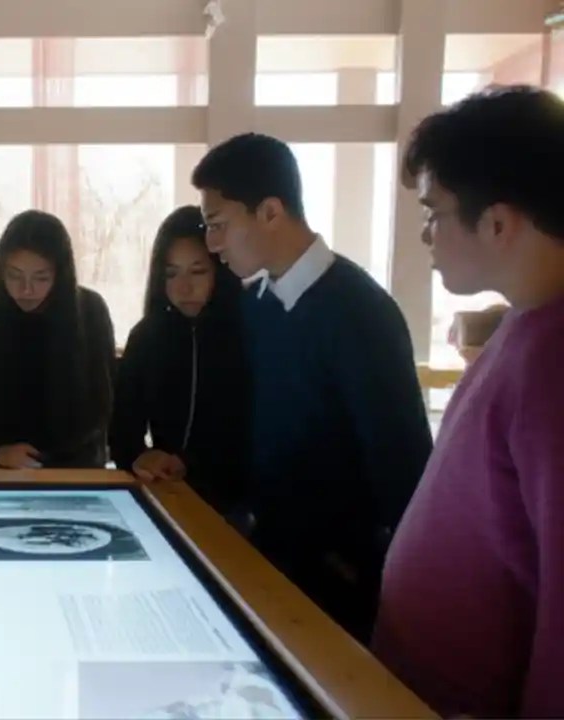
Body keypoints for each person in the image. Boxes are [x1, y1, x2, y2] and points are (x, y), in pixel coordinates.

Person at [193, 132, 432, 643]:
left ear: (271, 212)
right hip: (271, 560)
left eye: (219, 226)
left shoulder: (361, 313)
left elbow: (405, 470)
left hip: (343, 582)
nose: (212, 245)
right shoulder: (257, 303)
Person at [373, 86, 564, 718]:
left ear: (498, 223)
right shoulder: (524, 324)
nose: (425, 232)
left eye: (433, 211)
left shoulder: (552, 362)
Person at [110, 205, 249, 516]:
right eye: (171, 273)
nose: (183, 287)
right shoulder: (146, 336)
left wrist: (191, 463)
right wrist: (139, 456)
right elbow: (122, 429)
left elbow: (250, 433)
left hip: (233, 503)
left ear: (220, 269)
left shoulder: (248, 333)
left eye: (197, 271)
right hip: (164, 493)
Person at [0, 209, 114, 470]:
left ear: (60, 275)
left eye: (41, 277)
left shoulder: (90, 312)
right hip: (3, 466)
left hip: (79, 466)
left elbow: (104, 402)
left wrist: (53, 460)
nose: (26, 290)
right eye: (14, 276)